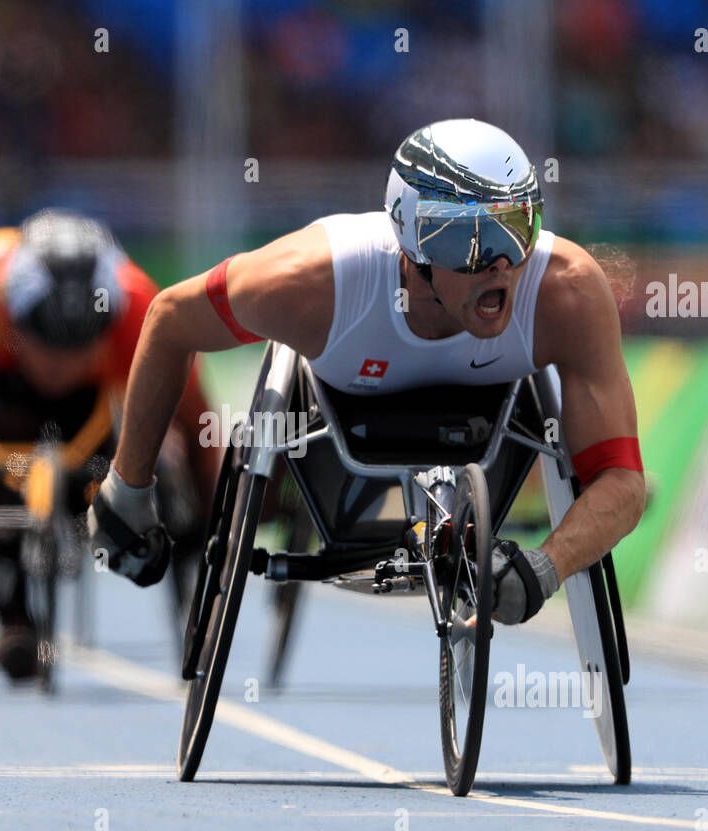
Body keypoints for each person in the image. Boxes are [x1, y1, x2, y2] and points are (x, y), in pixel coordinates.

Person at [91, 118, 646, 625]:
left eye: (514, 229)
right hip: (335, 414)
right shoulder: (314, 281)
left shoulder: (567, 291)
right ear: (410, 238)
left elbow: (623, 481)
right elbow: (169, 319)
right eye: (465, 239)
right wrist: (128, 490)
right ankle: (275, 500)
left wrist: (545, 569)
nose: (499, 263)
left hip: (490, 422)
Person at [0, 209, 218, 681]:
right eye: (48, 344)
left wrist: (212, 529)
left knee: (110, 421)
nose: (60, 366)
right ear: (14, 316)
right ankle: (14, 614)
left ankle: (80, 502)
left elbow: (198, 421)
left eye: (79, 345)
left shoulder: (142, 317)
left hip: (85, 416)